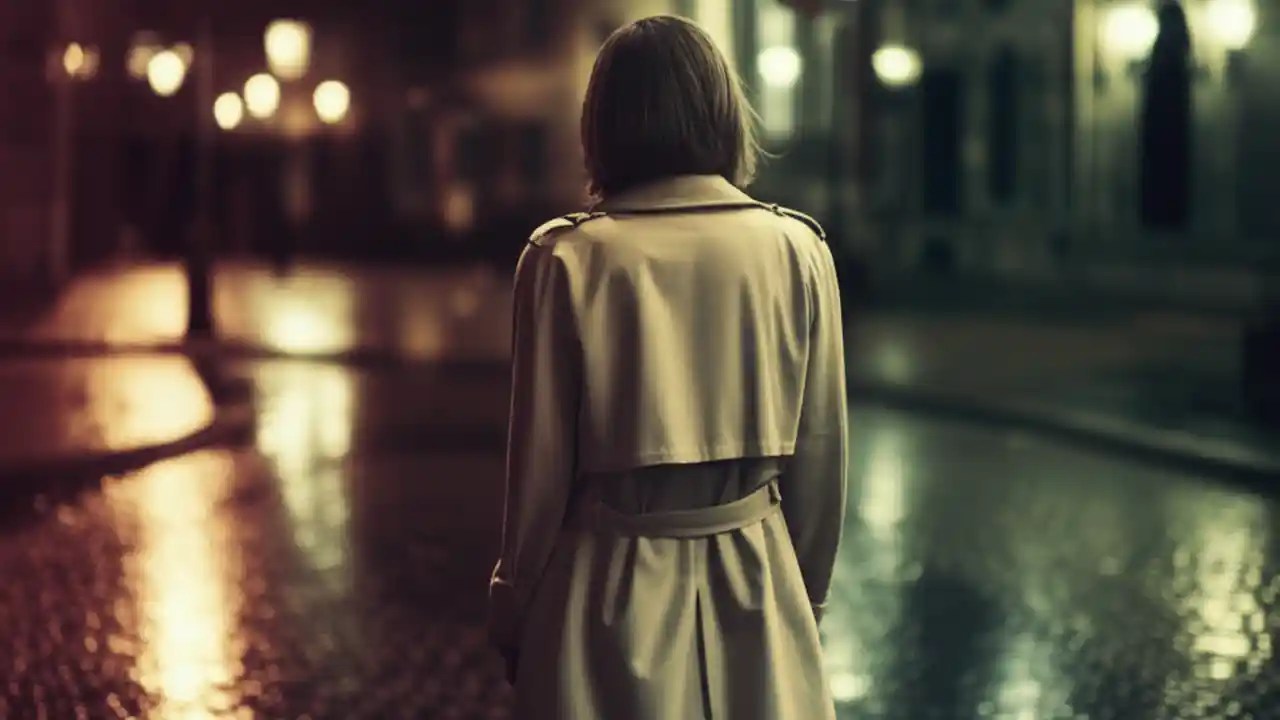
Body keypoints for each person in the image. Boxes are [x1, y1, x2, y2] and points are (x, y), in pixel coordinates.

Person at [488, 15, 848, 719]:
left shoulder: (565, 259)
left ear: (605, 123)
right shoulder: (797, 251)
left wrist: (513, 606)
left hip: (604, 588)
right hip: (759, 576)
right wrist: (805, 600)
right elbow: (822, 461)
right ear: (722, 111)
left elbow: (538, 472)